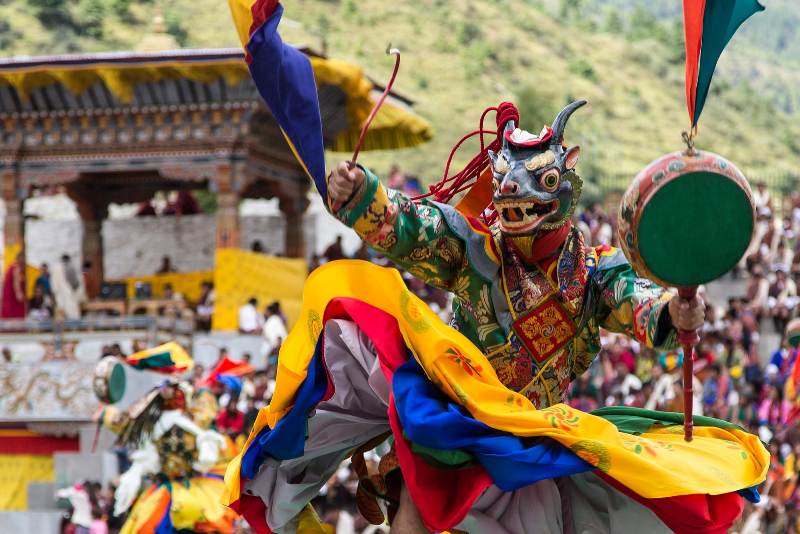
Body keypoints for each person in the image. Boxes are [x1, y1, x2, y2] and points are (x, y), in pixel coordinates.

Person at [226, 91, 767, 531]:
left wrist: (673, 313)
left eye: (537, 185)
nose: (515, 196)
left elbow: (640, 303)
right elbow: (418, 227)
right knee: (419, 500)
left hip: (533, 432)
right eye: (507, 183)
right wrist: (365, 196)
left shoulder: (594, 271)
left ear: (564, 186)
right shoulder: (476, 251)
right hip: (461, 409)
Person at [50, 254, 86, 320]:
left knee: (66, 311)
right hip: (68, 294)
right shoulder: (74, 266)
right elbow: (79, 283)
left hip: (66, 294)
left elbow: (54, 285)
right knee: (69, 311)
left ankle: (71, 326)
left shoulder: (58, 267)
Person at [1, 251, 26, 319]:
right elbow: (17, 286)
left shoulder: (10, 266)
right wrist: (22, 298)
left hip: (7, 301)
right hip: (13, 302)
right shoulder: (16, 268)